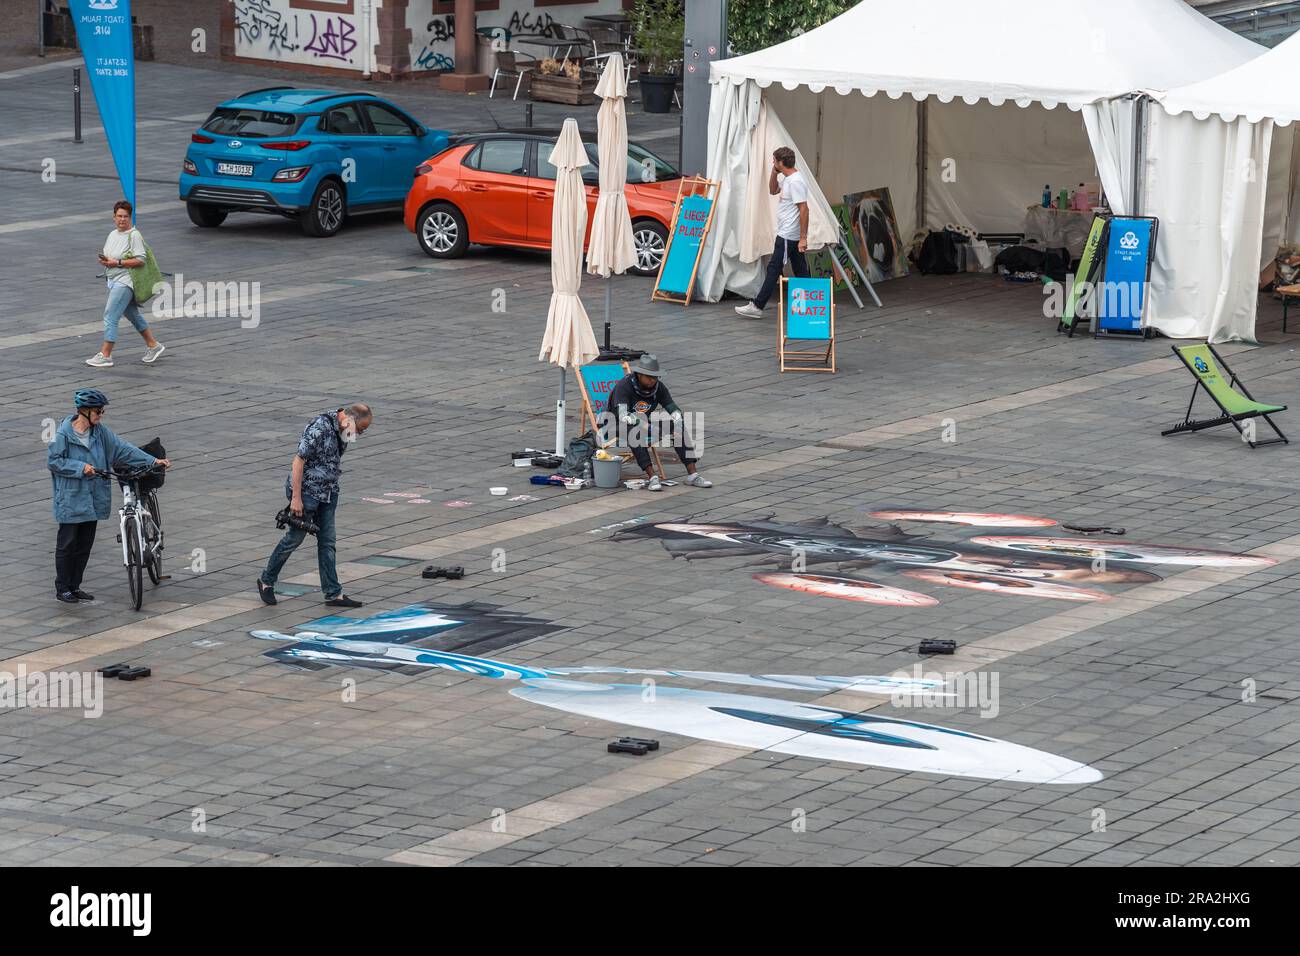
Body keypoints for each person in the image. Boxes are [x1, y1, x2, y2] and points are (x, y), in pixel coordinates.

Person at [47, 388, 172, 603]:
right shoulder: (63, 435)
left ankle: (75, 586)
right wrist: (80, 467)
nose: (101, 415)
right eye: (98, 411)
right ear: (84, 411)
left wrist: (152, 461)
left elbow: (123, 449)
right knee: (67, 544)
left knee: (85, 544)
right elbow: (54, 461)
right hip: (71, 498)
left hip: (93, 497)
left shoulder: (101, 433)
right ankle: (62, 588)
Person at [257, 404, 373, 608]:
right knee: (294, 539)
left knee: (328, 543)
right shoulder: (319, 429)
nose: (360, 434)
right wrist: (296, 498)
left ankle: (333, 594)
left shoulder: (345, 430)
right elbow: (298, 462)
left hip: (328, 493)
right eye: (360, 429)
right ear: (348, 420)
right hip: (307, 493)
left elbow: (332, 460)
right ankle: (266, 580)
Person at [604, 355, 711, 492]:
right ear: (640, 375)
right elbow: (623, 415)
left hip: (643, 424)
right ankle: (652, 477)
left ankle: (693, 475)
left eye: (655, 377)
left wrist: (678, 422)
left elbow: (672, 408)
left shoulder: (658, 387)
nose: (653, 380)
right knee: (634, 431)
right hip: (615, 424)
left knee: (675, 426)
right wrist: (647, 427)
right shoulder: (624, 386)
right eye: (649, 377)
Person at [87, 200, 166, 368]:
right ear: (113, 217)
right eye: (119, 216)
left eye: (125, 216)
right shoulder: (112, 234)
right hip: (114, 280)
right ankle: (153, 345)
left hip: (126, 282)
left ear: (130, 218)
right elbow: (112, 257)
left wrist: (118, 263)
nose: (122, 219)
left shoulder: (134, 235)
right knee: (132, 315)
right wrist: (107, 262)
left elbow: (140, 260)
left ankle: (106, 355)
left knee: (110, 315)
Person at [735, 146, 810, 319]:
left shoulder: (796, 181)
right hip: (788, 233)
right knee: (800, 270)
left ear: (781, 162)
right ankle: (811, 304)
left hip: (788, 235)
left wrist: (803, 238)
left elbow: (804, 209)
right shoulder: (789, 179)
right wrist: (774, 173)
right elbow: (772, 190)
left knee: (774, 269)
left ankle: (757, 305)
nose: (772, 163)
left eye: (774, 161)